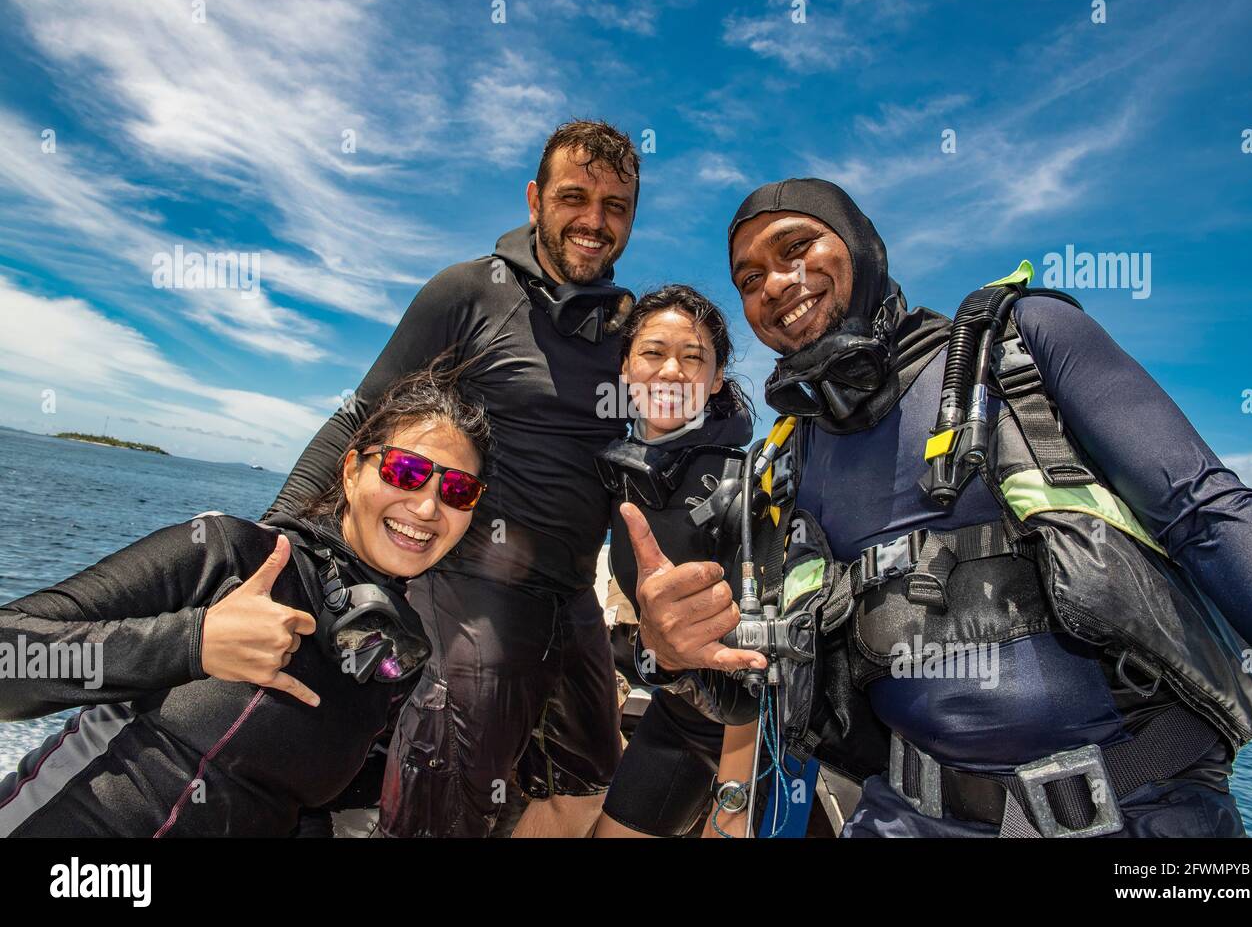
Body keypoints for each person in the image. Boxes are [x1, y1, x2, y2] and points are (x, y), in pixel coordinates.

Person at [625, 177, 1252, 837]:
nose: (776, 283)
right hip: (904, 815)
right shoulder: (787, 462)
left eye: (797, 247)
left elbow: (1206, 513)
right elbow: (755, 690)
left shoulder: (1020, 346)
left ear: (861, 246)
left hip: (1144, 810)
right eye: (750, 279)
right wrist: (675, 653)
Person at [267, 120, 638, 837]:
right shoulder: (469, 290)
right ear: (535, 200)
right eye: (574, 198)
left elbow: (680, 419)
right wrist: (275, 541)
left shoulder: (624, 327)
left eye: (615, 205)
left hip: (575, 602)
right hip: (473, 586)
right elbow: (359, 418)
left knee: (592, 776)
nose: (594, 221)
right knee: (447, 803)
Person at [0, 364, 490, 836]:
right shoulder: (231, 552)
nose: (428, 506)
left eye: (458, 490)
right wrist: (194, 643)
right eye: (405, 471)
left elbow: (297, 806)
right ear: (351, 471)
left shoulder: (392, 650)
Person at [588, 284, 757, 838]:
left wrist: (732, 802)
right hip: (680, 711)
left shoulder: (748, 483)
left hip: (758, 730)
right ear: (625, 367)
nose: (671, 372)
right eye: (653, 353)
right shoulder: (621, 472)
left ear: (716, 381)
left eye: (693, 359)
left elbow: (765, 665)